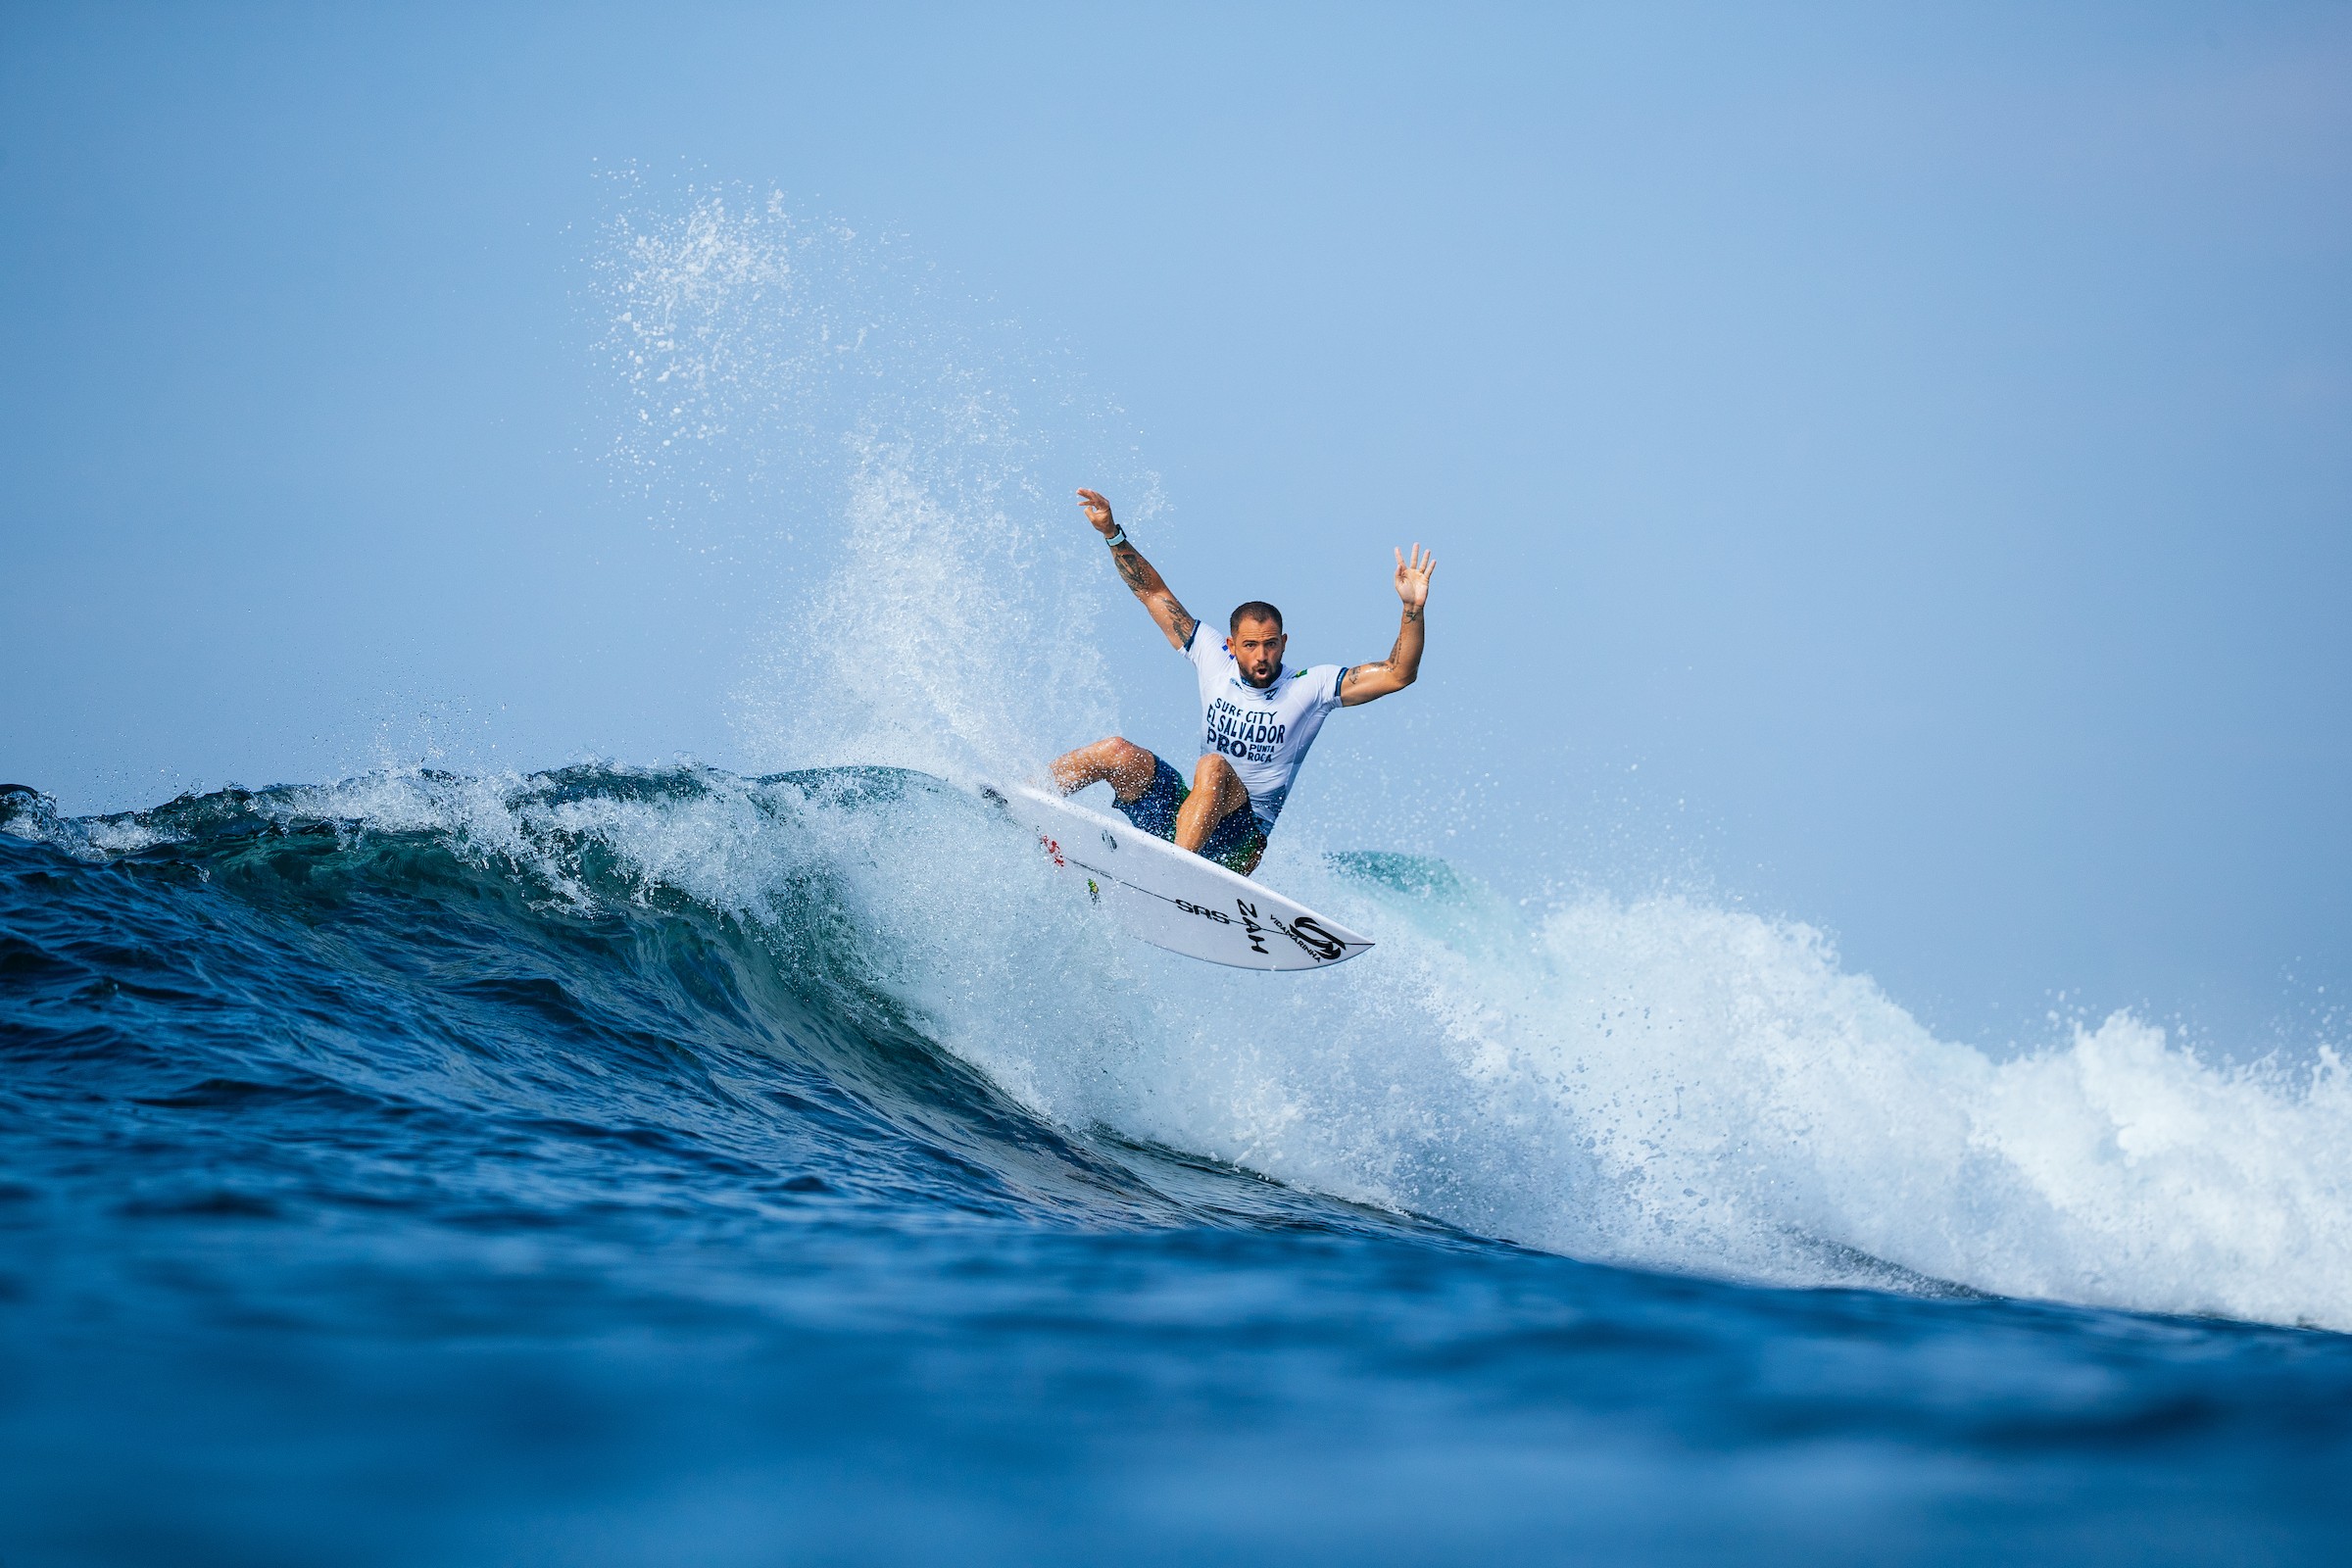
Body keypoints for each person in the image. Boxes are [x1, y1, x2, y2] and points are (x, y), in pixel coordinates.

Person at [1049, 488, 1435, 877]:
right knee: (1115, 751)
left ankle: (1169, 876)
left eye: (1270, 645)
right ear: (1232, 645)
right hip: (1189, 822)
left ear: (1283, 644)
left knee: (1213, 766)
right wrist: (1112, 534)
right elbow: (1152, 593)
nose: (1261, 656)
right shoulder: (1212, 656)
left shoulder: (1311, 687)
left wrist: (1411, 608)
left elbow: (1398, 674)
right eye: (1250, 646)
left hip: (1239, 842)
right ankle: (1019, 799)